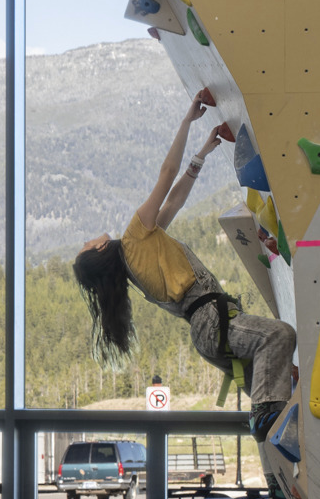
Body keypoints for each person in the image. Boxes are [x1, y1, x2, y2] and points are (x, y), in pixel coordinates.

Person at [73, 86, 296, 442]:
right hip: (214, 321)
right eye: (85, 245)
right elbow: (166, 174)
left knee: (275, 385)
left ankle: (275, 474)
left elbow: (173, 203)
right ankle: (267, 420)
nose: (87, 239)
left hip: (207, 331)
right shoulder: (134, 238)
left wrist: (202, 153)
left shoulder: (137, 256)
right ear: (99, 249)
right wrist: (186, 121)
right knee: (279, 336)